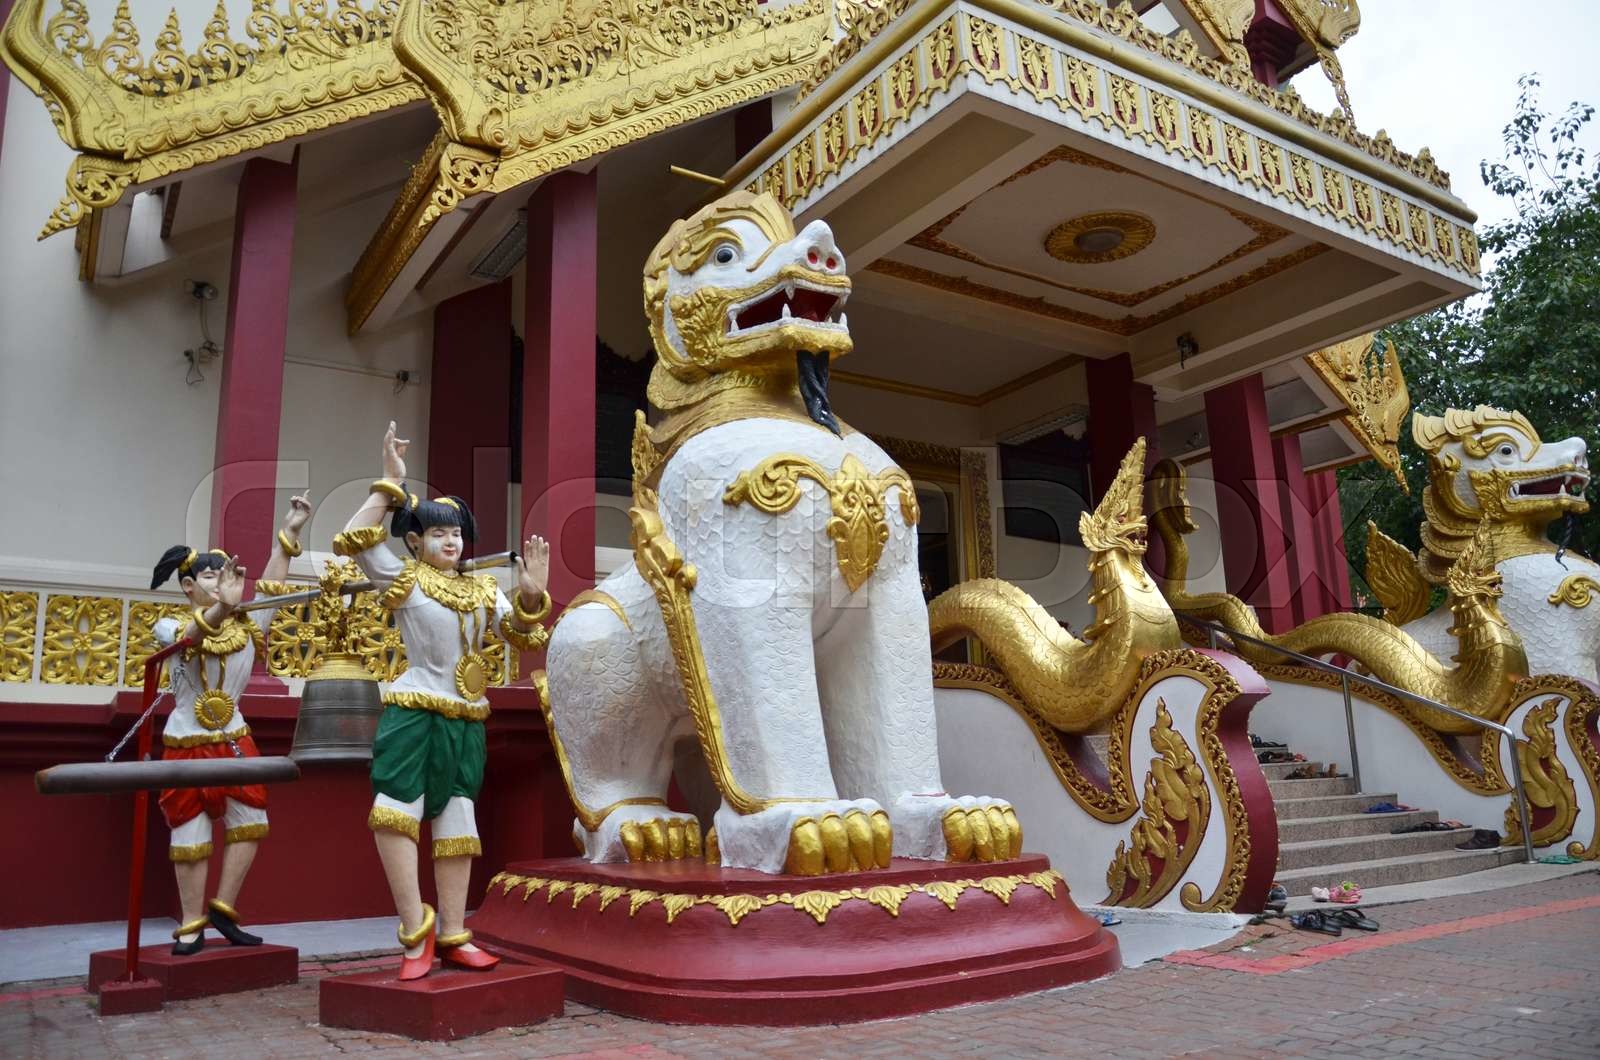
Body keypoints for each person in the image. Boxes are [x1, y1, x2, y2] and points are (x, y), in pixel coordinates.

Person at [334, 422, 551, 979]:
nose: (451, 542)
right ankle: (415, 930)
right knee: (394, 812)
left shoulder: (484, 589)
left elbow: (524, 638)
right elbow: (353, 540)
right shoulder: (404, 579)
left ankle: (454, 931)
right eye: (438, 534)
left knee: (458, 821)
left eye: (456, 533)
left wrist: (530, 600)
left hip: (466, 718)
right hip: (414, 710)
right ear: (416, 542)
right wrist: (388, 485)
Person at [148, 493, 312, 956]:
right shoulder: (169, 625)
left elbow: (274, 590)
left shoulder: (246, 628)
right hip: (186, 742)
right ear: (187, 586)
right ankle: (191, 923)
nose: (221, 584)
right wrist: (222, 607)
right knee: (191, 834)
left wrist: (291, 532)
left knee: (251, 821)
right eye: (209, 576)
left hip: (234, 739)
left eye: (226, 576)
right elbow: (194, 635)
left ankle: (223, 907)